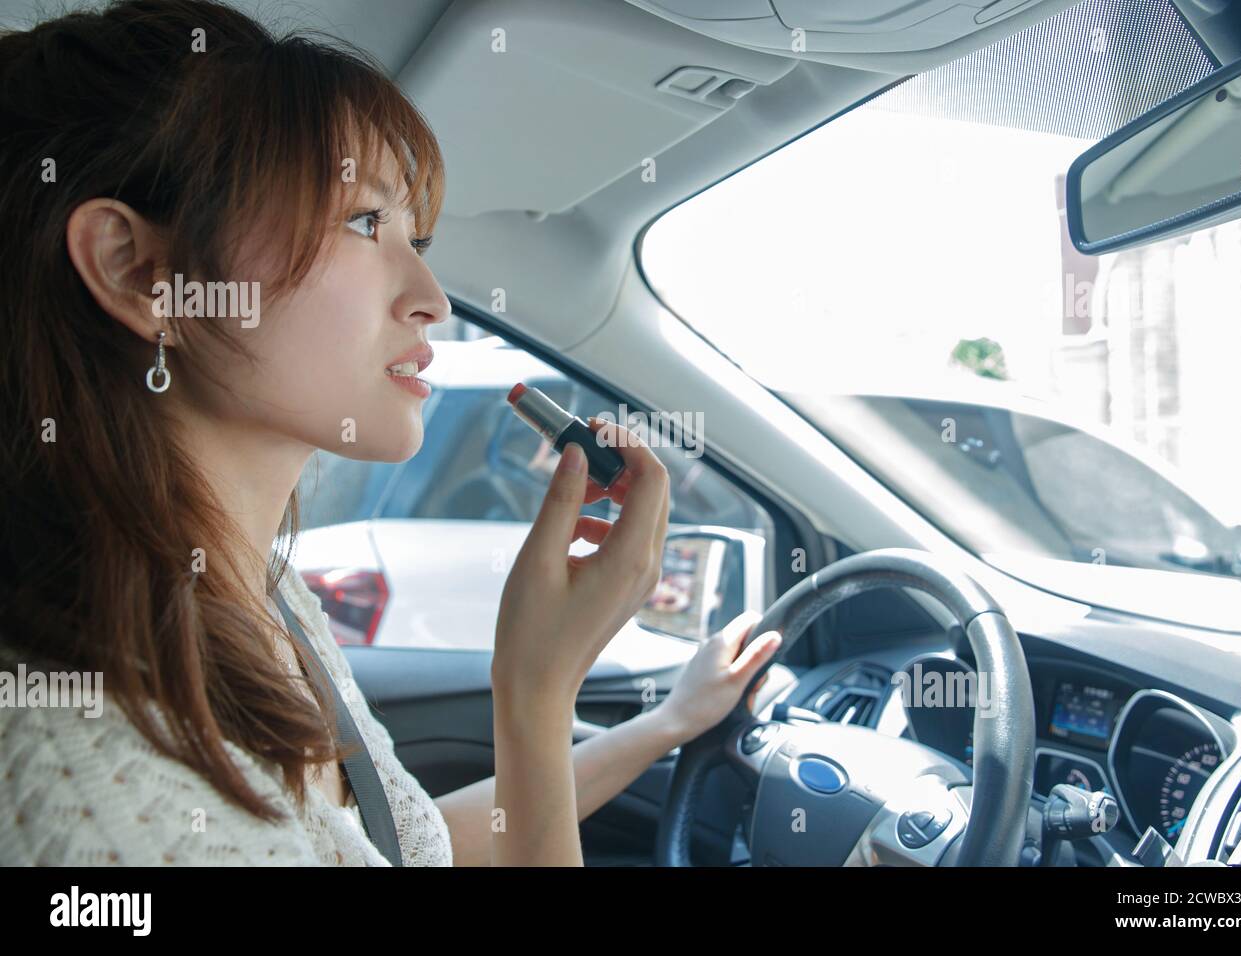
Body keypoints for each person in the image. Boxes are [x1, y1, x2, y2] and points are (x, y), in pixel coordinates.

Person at [0, 0, 782, 866]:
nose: (433, 299)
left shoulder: (260, 598)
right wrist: (533, 693)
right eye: (366, 223)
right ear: (139, 270)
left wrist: (664, 722)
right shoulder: (96, 805)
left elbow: (392, 848)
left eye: (417, 237)